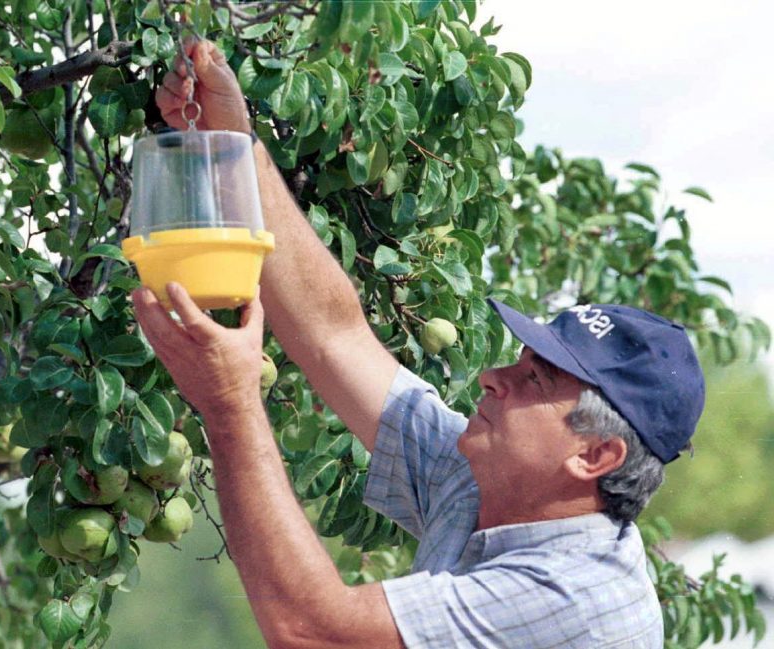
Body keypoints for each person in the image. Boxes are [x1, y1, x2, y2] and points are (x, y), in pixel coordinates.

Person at [131, 40, 705, 648]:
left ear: (595, 458)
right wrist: (234, 151)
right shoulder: (485, 484)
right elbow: (336, 336)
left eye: (536, 382)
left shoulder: (576, 597)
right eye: (523, 362)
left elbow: (314, 633)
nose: (493, 378)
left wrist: (228, 404)